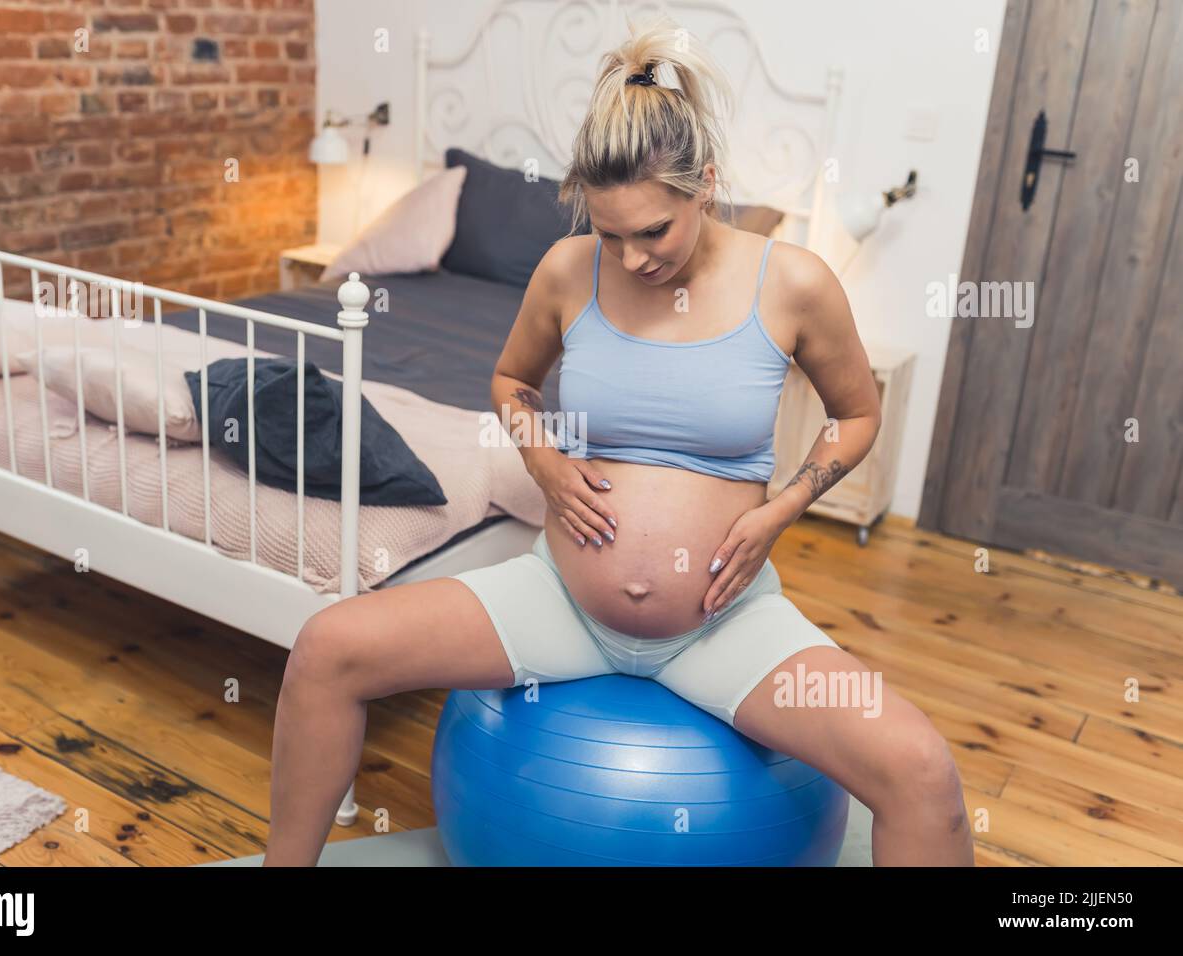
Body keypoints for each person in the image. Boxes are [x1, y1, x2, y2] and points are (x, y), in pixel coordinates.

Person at [263, 14, 974, 867]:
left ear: (704, 186)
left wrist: (781, 508)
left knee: (922, 771)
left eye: (653, 233)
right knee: (327, 648)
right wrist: (547, 463)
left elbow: (856, 416)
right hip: (561, 600)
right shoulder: (567, 271)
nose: (632, 260)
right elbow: (510, 385)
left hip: (722, 621)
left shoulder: (792, 283)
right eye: (609, 233)